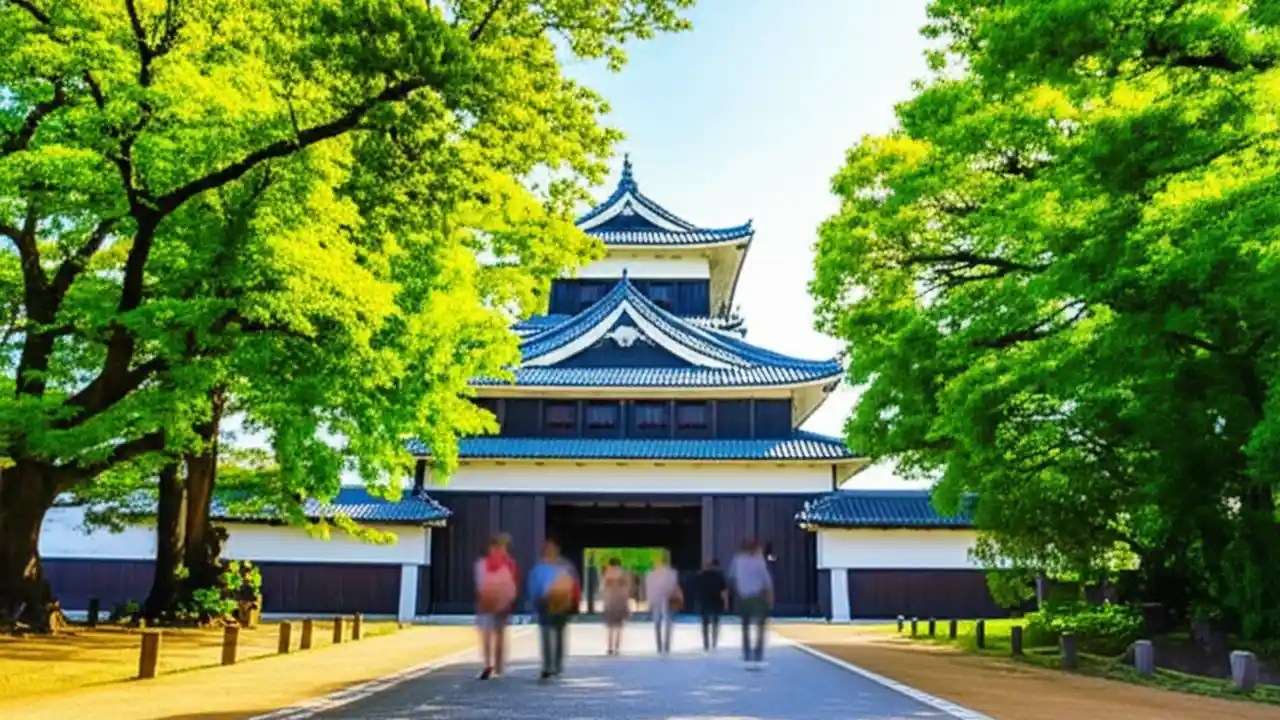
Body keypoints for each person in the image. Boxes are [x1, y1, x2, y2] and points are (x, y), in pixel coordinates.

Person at [527, 539, 579, 681]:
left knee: (554, 633)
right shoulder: (564, 566)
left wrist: (574, 604)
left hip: (555, 602)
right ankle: (552, 665)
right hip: (551, 602)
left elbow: (574, 586)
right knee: (552, 633)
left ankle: (553, 665)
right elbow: (574, 585)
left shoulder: (542, 567)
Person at [474, 534, 517, 680]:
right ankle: (498, 667)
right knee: (499, 635)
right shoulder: (509, 564)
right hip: (502, 604)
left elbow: (479, 584)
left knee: (487, 634)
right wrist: (509, 600)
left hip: (486, 602)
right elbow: (512, 585)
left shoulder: (481, 563)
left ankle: (488, 664)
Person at [728, 539, 773, 669]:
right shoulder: (759, 561)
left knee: (745, 626)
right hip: (757, 597)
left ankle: (746, 652)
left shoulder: (737, 560)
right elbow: (767, 581)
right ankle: (758, 652)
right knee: (760, 627)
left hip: (743, 597)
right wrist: (770, 598)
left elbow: (732, 577)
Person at [644, 550, 681, 655]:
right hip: (668, 599)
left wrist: (650, 602)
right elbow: (674, 587)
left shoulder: (650, 574)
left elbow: (649, 589)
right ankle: (667, 645)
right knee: (668, 621)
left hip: (656, 599)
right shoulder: (673, 573)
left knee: (657, 623)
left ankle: (659, 645)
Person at [601, 557, 631, 655]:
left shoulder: (606, 574)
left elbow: (603, 589)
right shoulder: (623, 574)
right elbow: (627, 589)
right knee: (619, 628)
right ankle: (617, 648)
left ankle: (609, 647)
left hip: (610, 603)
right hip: (621, 603)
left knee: (610, 628)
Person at [697, 558, 728, 651]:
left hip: (705, 601)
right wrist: (726, 604)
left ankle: (706, 644)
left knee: (705, 623)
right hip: (716, 601)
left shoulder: (702, 576)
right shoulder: (720, 576)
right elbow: (723, 592)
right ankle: (714, 642)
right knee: (715, 622)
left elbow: (698, 589)